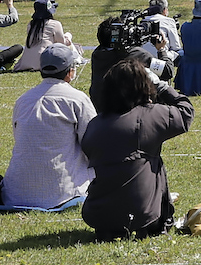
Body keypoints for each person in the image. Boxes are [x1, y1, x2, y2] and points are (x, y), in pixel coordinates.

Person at [82, 57, 192, 239]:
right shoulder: (149, 115)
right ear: (145, 86)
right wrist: (162, 87)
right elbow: (186, 111)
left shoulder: (95, 125)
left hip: (98, 214)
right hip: (143, 216)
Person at [3, 43, 95, 208]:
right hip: (62, 193)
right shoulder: (77, 99)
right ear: (70, 72)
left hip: (15, 193)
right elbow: (94, 145)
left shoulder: (23, 100)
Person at [16, 0, 79, 74]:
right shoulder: (55, 24)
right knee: (70, 46)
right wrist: (68, 36)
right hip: (45, 61)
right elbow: (62, 43)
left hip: (25, 63)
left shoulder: (31, 24)